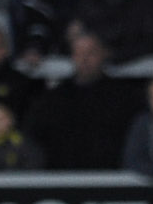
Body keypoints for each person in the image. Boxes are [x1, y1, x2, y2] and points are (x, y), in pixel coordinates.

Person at [25, 31, 138, 171]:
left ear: (104, 54)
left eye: (91, 53)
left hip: (111, 180)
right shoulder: (52, 100)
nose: (85, 59)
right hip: (63, 181)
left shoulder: (124, 98)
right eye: (79, 53)